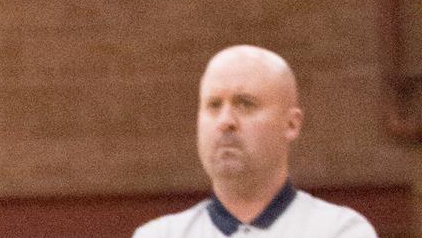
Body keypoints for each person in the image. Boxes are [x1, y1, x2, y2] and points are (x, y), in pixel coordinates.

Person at [134, 46, 376, 237]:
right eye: (214, 105)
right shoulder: (158, 235)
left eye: (245, 104)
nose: (225, 121)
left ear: (291, 124)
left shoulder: (340, 230)